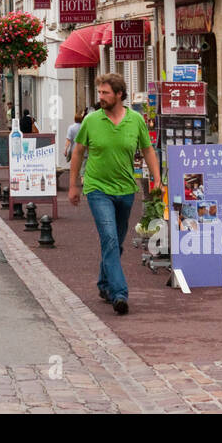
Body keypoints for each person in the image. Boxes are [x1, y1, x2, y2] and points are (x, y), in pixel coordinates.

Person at [68, 74, 160, 315]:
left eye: (105, 93)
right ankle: (119, 293)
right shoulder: (91, 120)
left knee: (115, 244)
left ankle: (103, 283)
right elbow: (78, 152)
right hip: (98, 189)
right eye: (99, 93)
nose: (101, 97)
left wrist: (157, 178)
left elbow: (148, 150)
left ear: (120, 94)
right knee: (109, 238)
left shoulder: (136, 120)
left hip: (127, 190)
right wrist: (74, 185)